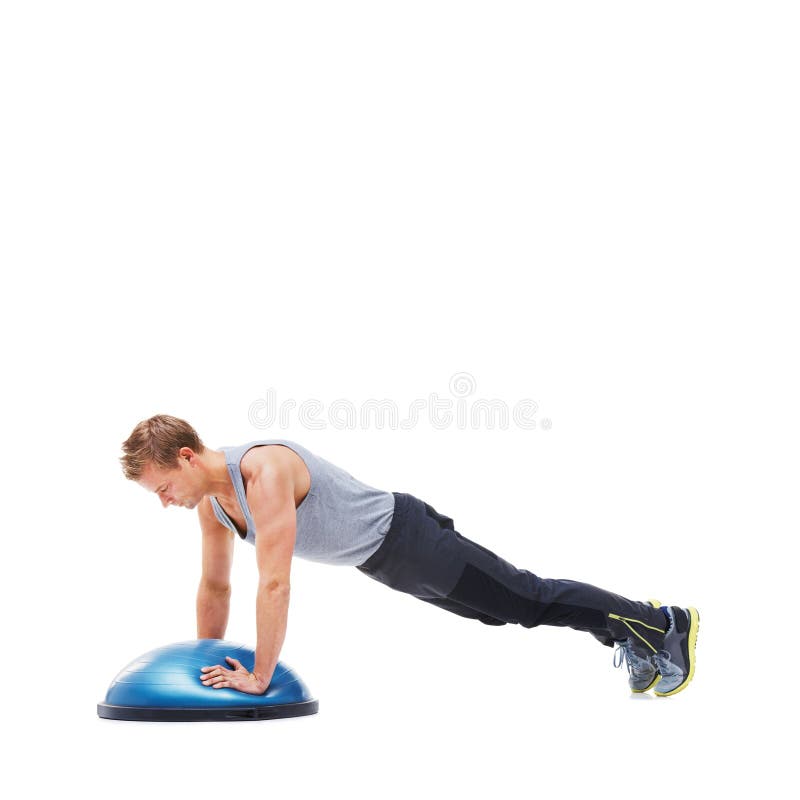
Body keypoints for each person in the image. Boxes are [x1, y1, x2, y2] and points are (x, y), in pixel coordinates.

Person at [120, 414, 699, 698]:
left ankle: (658, 623)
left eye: (163, 488)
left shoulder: (262, 471)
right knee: (497, 612)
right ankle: (621, 629)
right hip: (384, 562)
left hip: (409, 538)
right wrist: (204, 660)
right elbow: (215, 588)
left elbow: (274, 584)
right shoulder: (213, 505)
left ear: (188, 457)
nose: (165, 503)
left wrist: (261, 676)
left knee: (527, 599)